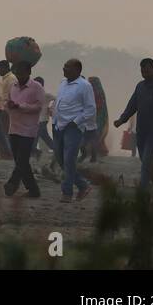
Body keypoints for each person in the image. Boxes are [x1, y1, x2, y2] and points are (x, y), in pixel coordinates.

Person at [113, 58, 153, 197]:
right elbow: (132, 105)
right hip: (141, 132)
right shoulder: (140, 86)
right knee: (148, 165)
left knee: (146, 162)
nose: (144, 73)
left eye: (146, 70)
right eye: (142, 70)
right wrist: (121, 120)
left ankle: (142, 193)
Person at [51, 58, 96, 202]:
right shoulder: (62, 83)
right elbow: (59, 101)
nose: (64, 69)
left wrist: (76, 122)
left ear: (77, 70)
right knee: (60, 159)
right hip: (58, 125)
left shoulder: (85, 86)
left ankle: (67, 192)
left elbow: (91, 109)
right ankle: (83, 185)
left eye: (67, 67)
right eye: (64, 66)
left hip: (73, 128)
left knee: (69, 159)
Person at [3, 60, 43, 197]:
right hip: (14, 128)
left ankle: (12, 183)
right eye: (17, 72)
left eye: (21, 72)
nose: (19, 75)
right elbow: (6, 103)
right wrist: (9, 105)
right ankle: (33, 190)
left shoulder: (36, 87)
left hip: (28, 130)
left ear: (29, 72)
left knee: (22, 160)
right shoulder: (13, 86)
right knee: (21, 162)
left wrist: (21, 106)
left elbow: (38, 107)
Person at [82, 75, 109, 163]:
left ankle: (92, 155)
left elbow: (99, 105)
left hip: (97, 117)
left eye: (90, 82)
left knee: (94, 136)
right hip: (94, 117)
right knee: (93, 136)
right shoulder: (95, 91)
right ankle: (92, 154)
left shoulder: (97, 92)